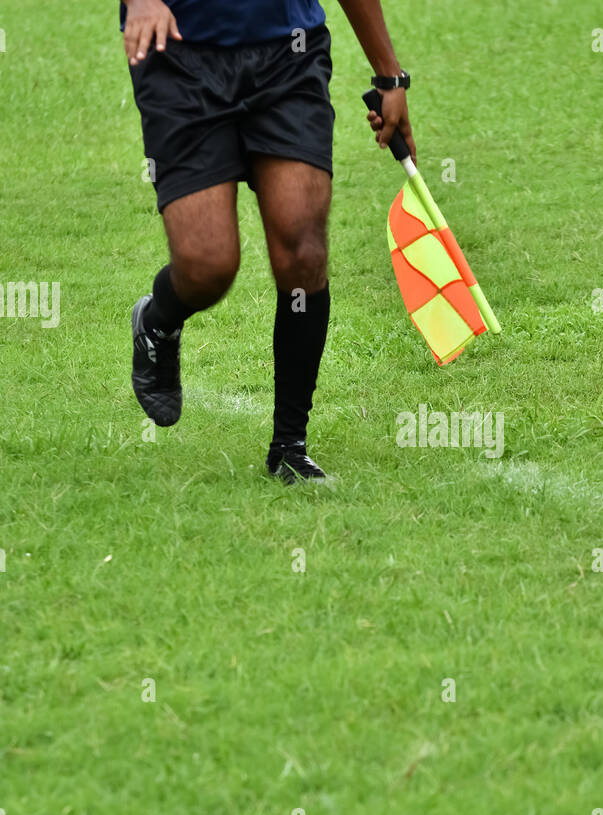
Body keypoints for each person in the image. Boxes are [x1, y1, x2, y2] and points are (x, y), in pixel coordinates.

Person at [120, 0, 416, 482]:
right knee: (208, 266)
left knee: (303, 250)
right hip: (179, 56)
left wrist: (390, 77)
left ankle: (289, 447)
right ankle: (157, 322)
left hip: (288, 55)